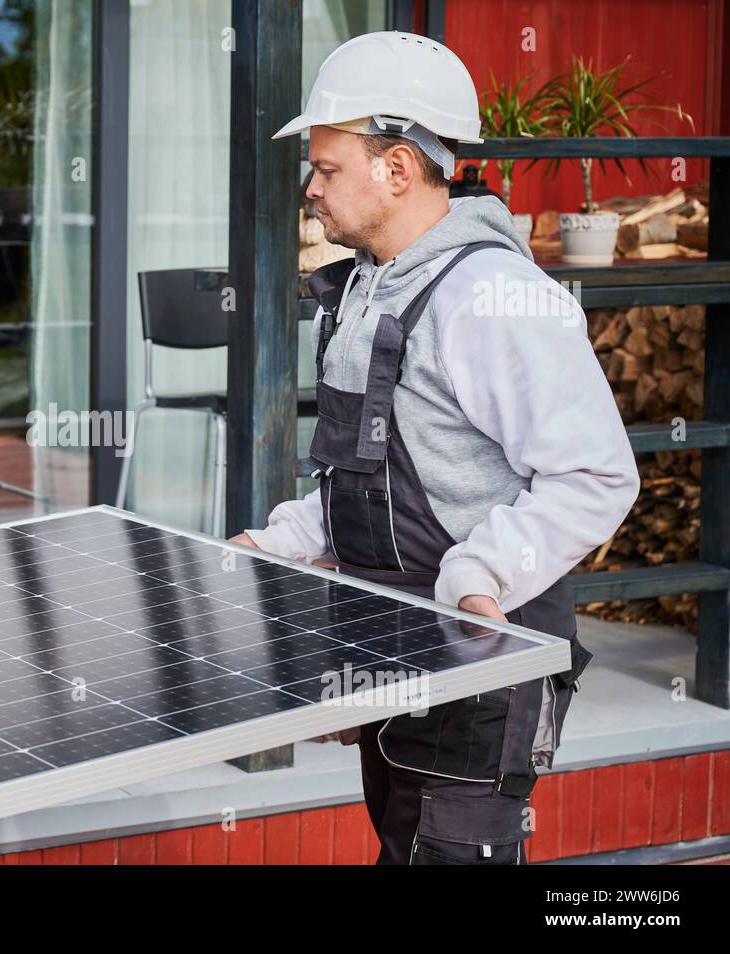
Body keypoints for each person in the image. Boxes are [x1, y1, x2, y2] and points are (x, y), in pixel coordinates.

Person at [228, 32, 640, 864]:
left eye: (328, 167)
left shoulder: (493, 297)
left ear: (399, 168)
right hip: (393, 641)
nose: (310, 188)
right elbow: (380, 470)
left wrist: (481, 576)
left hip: (486, 657)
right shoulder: (365, 289)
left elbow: (596, 473)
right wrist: (289, 539)